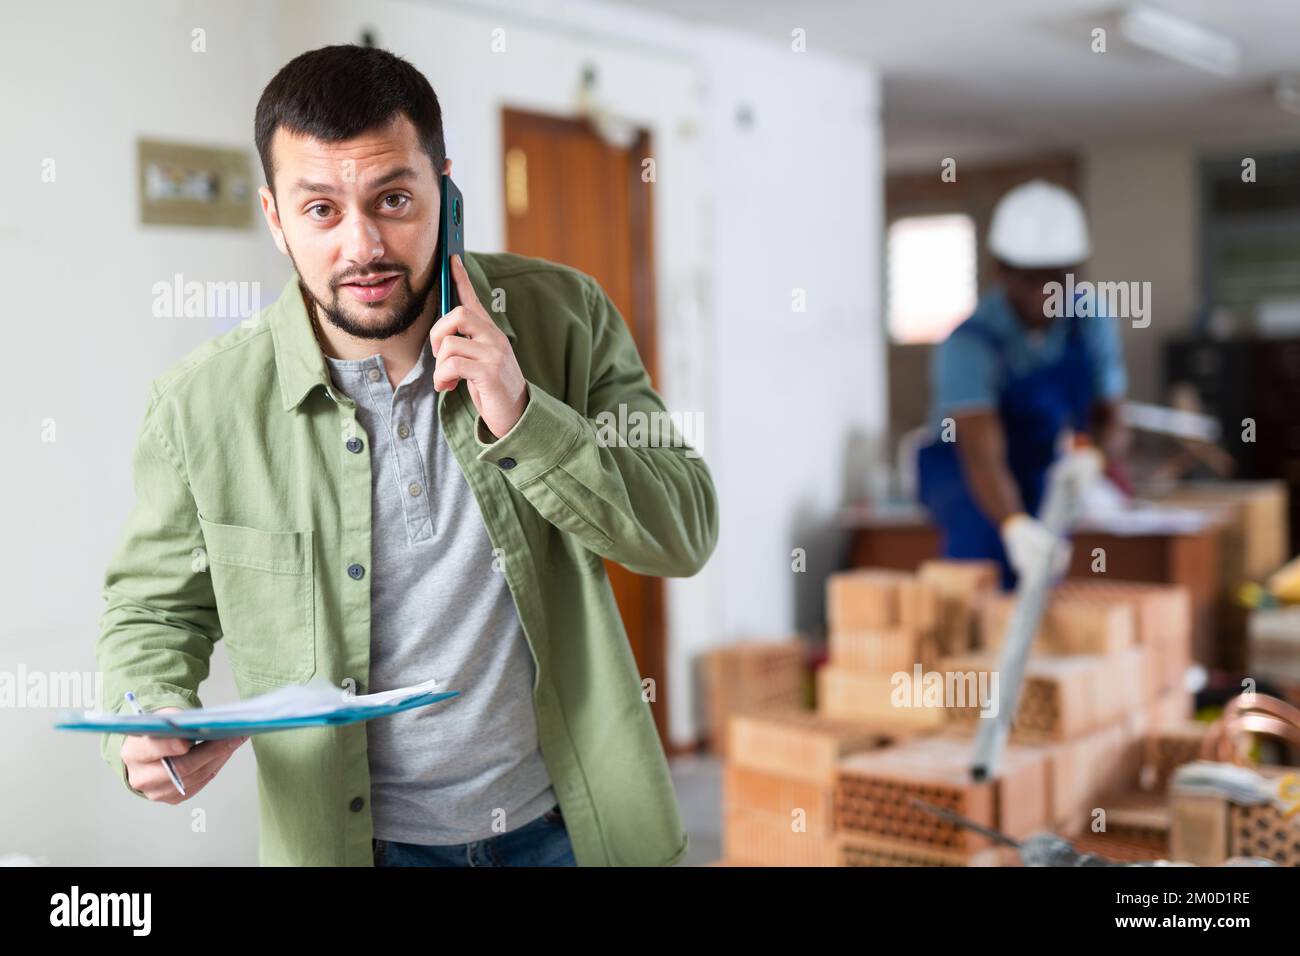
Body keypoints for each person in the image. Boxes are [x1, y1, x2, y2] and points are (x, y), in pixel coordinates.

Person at [95, 45, 718, 867]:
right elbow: (153, 611)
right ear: (276, 218)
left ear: (445, 189)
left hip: (570, 827)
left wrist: (526, 416)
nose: (363, 246)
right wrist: (148, 715)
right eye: (320, 210)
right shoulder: (199, 408)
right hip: (360, 846)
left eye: (393, 198)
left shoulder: (566, 317)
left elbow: (682, 531)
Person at [916, 179, 1127, 589]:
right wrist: (1012, 523)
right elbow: (982, 453)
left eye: (1057, 278)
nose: (1045, 293)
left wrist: (1098, 457)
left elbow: (1112, 418)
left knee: (1047, 569)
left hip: (1037, 467)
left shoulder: (1090, 324)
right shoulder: (969, 343)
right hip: (965, 473)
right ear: (1001, 273)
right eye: (1031, 280)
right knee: (982, 562)